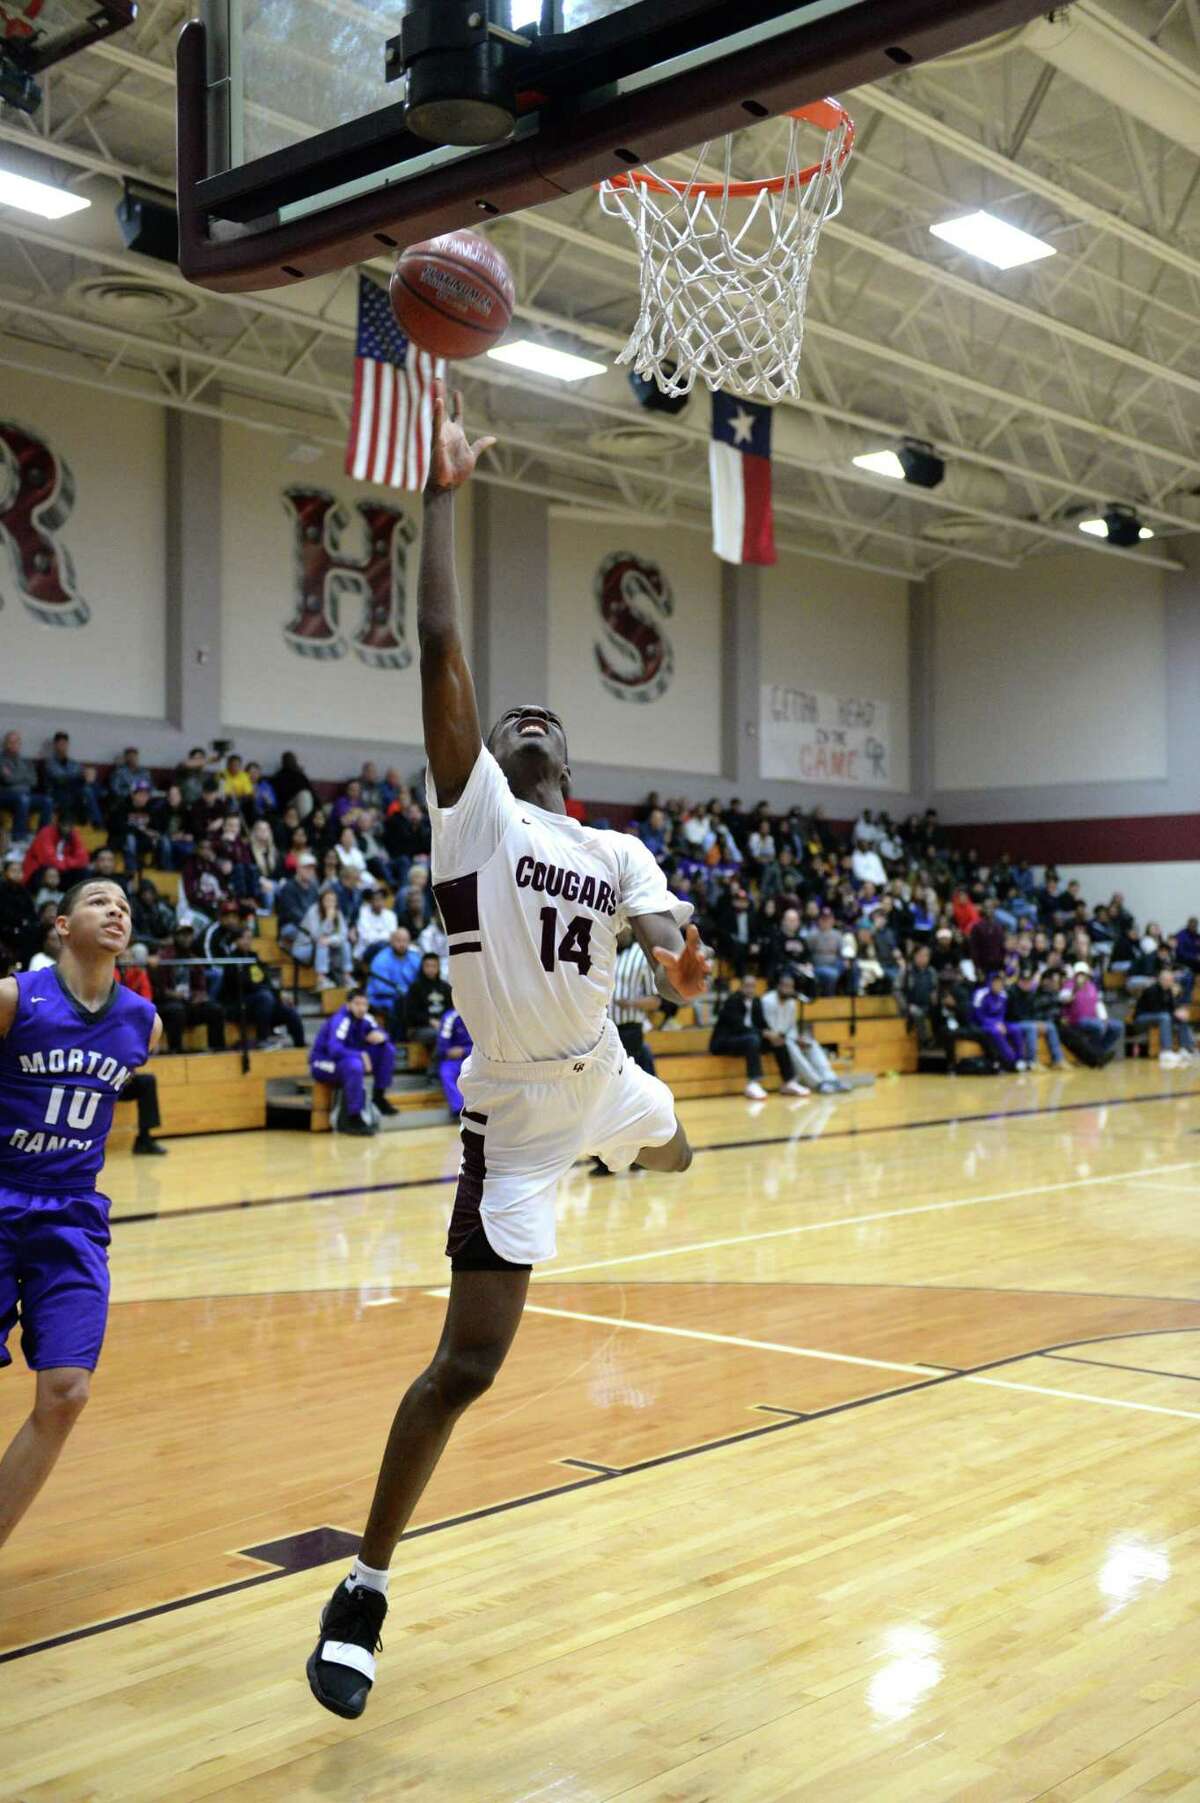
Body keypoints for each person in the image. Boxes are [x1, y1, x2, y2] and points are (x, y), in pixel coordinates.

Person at [306, 385, 708, 1720]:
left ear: (569, 759)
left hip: (609, 1063)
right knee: (467, 1365)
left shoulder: (614, 846)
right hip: (523, 1117)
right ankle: (363, 1584)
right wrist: (442, 491)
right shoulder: (472, 809)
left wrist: (685, 958)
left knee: (675, 1134)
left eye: (545, 719)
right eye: (510, 713)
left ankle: (647, 1146)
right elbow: (435, 645)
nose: (523, 716)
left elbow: (660, 929)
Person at [0, 878, 160, 1545]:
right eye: (99, 900)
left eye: (124, 904)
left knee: (66, 1391)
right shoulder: (14, 998)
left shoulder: (140, 1021)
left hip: (71, 1215)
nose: (116, 909)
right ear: (61, 925)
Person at [309, 989, 397, 1136]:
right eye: (357, 1004)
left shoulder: (367, 1018)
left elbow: (382, 1033)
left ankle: (379, 1096)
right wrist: (361, 1055)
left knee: (387, 1049)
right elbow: (334, 1050)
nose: (361, 1008)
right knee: (354, 1066)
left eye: (364, 1004)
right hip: (324, 1063)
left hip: (349, 1059)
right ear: (348, 1004)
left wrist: (381, 1036)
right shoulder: (341, 1019)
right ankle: (353, 1118)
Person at [711, 973, 792, 1100]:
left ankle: (788, 1081)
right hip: (725, 1042)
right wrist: (763, 1033)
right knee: (752, 1039)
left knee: (778, 1041)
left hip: (748, 1040)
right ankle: (753, 1083)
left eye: (753, 986)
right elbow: (738, 1028)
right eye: (747, 986)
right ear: (740, 987)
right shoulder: (732, 1001)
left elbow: (762, 1023)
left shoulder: (756, 1001)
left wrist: (772, 1034)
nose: (750, 989)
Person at [760, 971, 844, 1094]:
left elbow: (791, 1027)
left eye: (790, 987)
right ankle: (817, 1083)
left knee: (809, 1042)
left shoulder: (792, 1003)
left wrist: (798, 1038)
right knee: (789, 1045)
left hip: (786, 1037)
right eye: (784, 986)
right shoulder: (767, 1001)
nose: (787, 989)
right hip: (769, 1039)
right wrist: (791, 1038)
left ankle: (831, 1078)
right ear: (778, 986)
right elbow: (770, 1027)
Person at [609, 925, 660, 1075]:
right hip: (603, 1029)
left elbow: (656, 1001)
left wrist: (630, 1003)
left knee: (628, 1077)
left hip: (629, 1029)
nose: (619, 932)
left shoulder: (642, 955)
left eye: (623, 928)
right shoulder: (606, 952)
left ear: (631, 928)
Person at [1060, 961, 1123, 1066]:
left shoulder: (1092, 986)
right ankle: (1094, 1056)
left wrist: (1104, 1017)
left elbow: (1098, 1003)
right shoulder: (1069, 985)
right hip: (1076, 1020)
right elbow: (1064, 998)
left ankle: (1099, 1052)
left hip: (1093, 1019)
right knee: (1098, 1026)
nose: (1082, 977)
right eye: (1079, 974)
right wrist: (1076, 989)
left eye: (1084, 974)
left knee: (1117, 1026)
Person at [1134, 968, 1196, 1066]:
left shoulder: (1168, 991)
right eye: (1167, 980)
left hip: (1160, 1016)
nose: (1170, 982)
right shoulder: (1151, 990)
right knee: (1165, 1017)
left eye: (1171, 980)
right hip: (1142, 1018)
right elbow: (1156, 1009)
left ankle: (1185, 1049)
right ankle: (1166, 1051)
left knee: (1181, 1017)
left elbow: (1172, 1008)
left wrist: (1179, 1012)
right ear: (1161, 979)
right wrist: (1174, 1013)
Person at [970, 970, 1024, 1071]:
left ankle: (1020, 1059)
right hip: (982, 1024)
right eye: (995, 982)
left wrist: (1000, 1023)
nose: (998, 985)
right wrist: (995, 1024)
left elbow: (1002, 1014)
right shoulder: (980, 994)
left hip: (999, 1022)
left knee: (1015, 1028)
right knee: (996, 1031)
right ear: (990, 983)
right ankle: (1010, 1060)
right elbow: (978, 1016)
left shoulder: (1003, 995)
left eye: (1000, 982)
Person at [400, 951, 452, 1052]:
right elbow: (410, 1014)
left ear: (438, 968)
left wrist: (443, 1023)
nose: (431, 969)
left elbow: (451, 1011)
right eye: (427, 966)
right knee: (440, 1035)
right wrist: (430, 1021)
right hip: (419, 1029)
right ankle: (435, 1066)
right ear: (422, 967)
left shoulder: (446, 988)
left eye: (434, 966)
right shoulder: (415, 987)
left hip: (443, 1026)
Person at [435, 1006, 472, 1118]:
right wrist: (448, 1052)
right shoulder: (450, 1017)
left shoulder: (482, 1014)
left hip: (476, 1057)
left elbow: (489, 1046)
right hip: (454, 1059)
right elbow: (442, 1047)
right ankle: (460, 1110)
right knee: (446, 1072)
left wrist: (465, 1051)